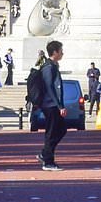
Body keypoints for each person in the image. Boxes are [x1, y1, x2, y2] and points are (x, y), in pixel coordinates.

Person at [37, 40, 69, 171]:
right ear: (55, 52)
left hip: (53, 104)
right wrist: (59, 106)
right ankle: (48, 161)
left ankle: (45, 154)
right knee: (51, 132)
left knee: (61, 129)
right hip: (50, 104)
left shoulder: (53, 65)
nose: (62, 53)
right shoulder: (48, 67)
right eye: (61, 50)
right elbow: (50, 87)